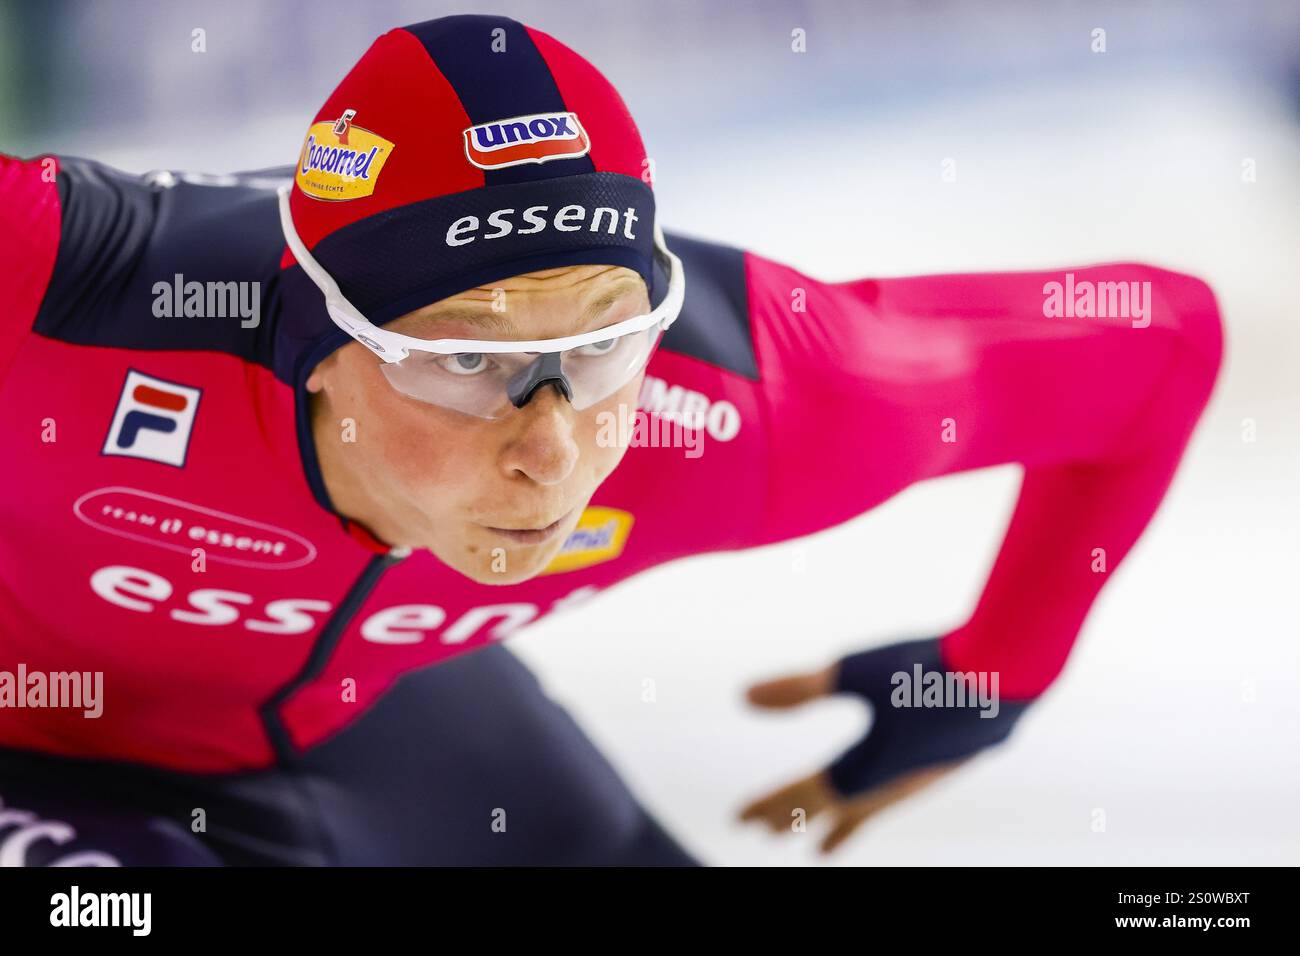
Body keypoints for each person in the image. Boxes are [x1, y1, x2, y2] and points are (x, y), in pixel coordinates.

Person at [0, 14, 1222, 865]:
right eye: (469, 361)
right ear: (332, 341)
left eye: (601, 343)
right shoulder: (73, 293)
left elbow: (1157, 339)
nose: (556, 451)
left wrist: (1000, 662)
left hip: (362, 715)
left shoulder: (755, 397)